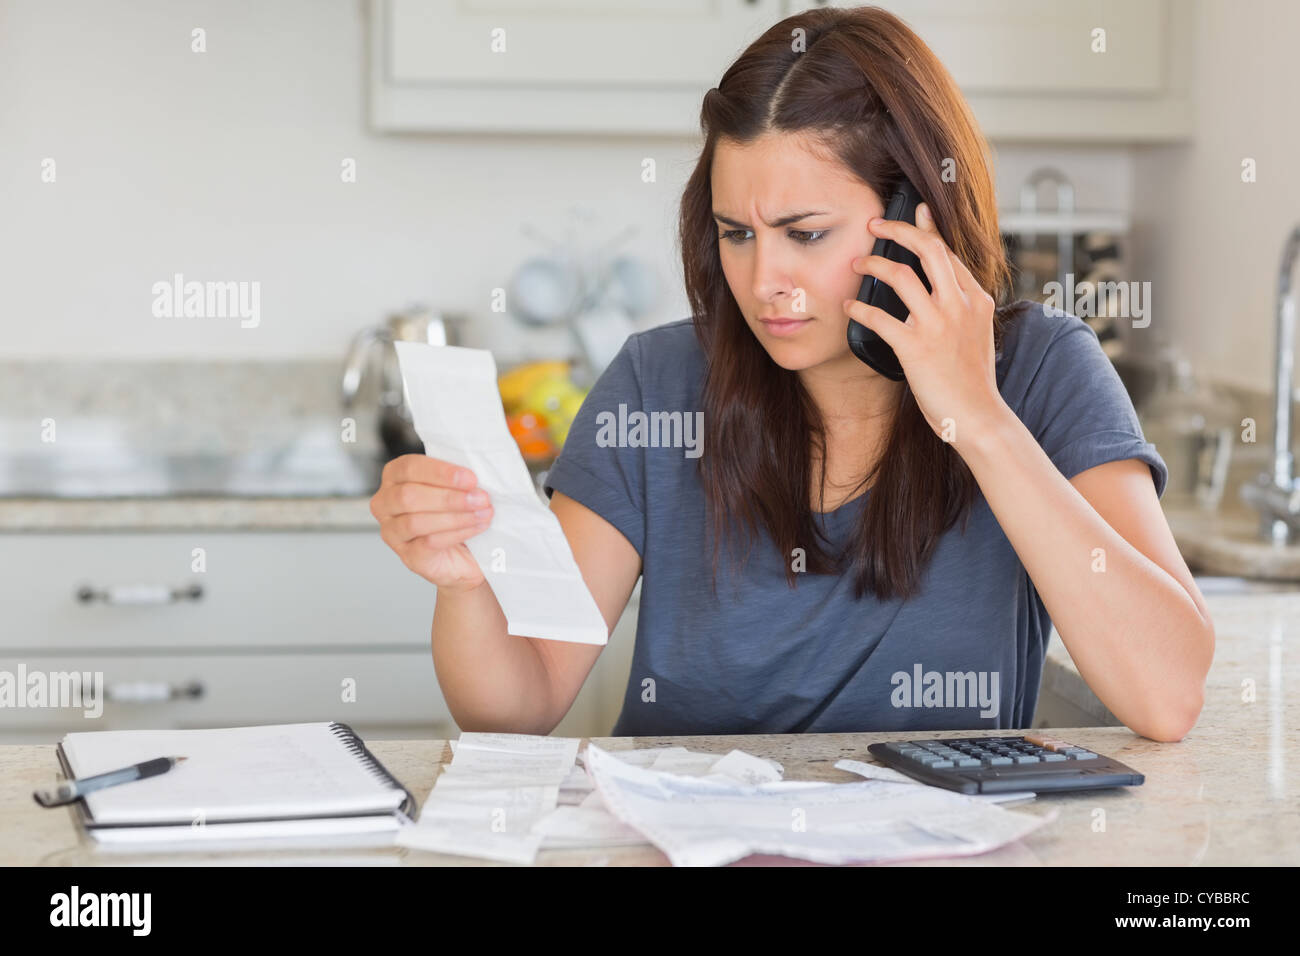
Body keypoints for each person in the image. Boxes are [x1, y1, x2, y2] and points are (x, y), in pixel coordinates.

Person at [370, 5, 1214, 742]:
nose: (762, 280)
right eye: (736, 232)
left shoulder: (1040, 372)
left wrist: (977, 417)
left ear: (915, 222)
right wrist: (467, 583)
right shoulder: (656, 385)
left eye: (805, 233)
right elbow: (518, 705)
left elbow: (1167, 696)